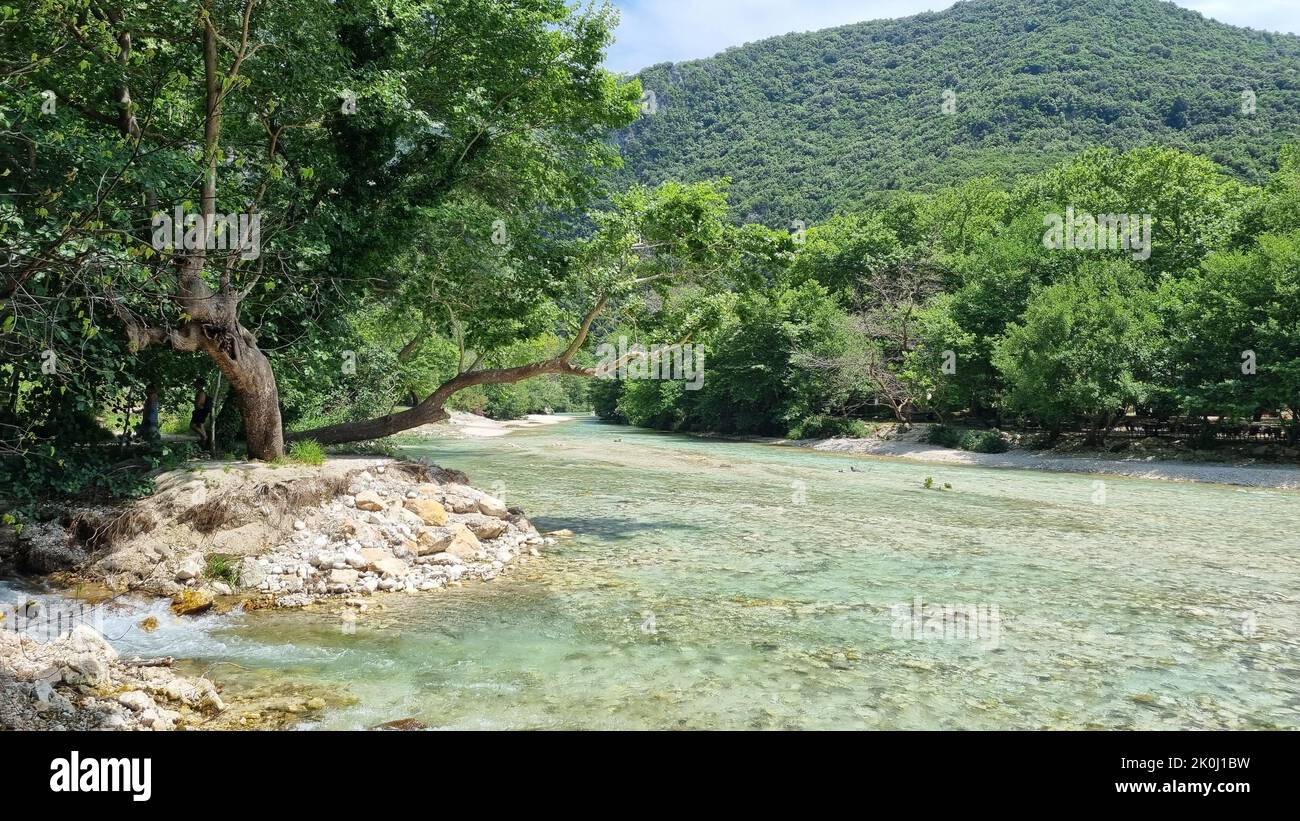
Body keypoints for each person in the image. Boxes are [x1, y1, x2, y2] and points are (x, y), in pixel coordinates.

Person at [189, 378, 214, 447]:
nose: (194, 384)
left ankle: (205, 437)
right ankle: (203, 444)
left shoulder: (201, 393)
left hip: (200, 412)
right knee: (200, 425)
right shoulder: (200, 392)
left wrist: (193, 402)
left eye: (196, 383)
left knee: (192, 426)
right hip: (201, 412)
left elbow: (198, 404)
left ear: (199, 384)